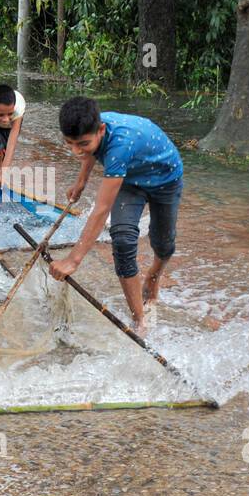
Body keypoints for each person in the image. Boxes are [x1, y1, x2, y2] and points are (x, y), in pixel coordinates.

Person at [50, 97, 184, 335]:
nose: (75, 151)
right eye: (69, 143)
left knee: (163, 244)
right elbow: (91, 151)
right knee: (122, 240)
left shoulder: (120, 144)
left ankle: (154, 276)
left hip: (166, 179)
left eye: (81, 143)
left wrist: (73, 260)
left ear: (101, 130)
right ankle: (139, 320)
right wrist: (81, 181)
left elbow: (101, 210)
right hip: (129, 180)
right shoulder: (93, 128)